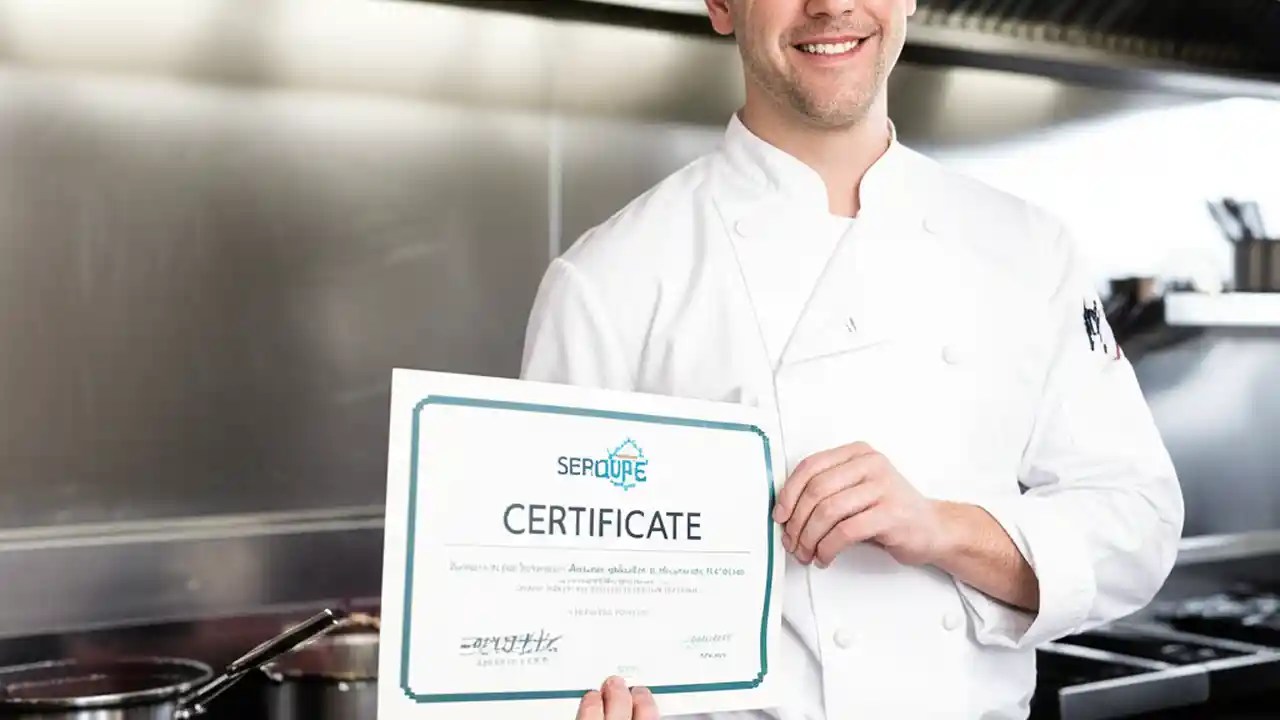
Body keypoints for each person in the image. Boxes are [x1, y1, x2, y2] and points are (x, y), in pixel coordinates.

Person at [522, 0, 1185, 717]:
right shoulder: (609, 278)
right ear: (719, 4)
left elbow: (1136, 526)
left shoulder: (1028, 250)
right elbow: (548, 609)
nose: (830, 5)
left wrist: (942, 527)